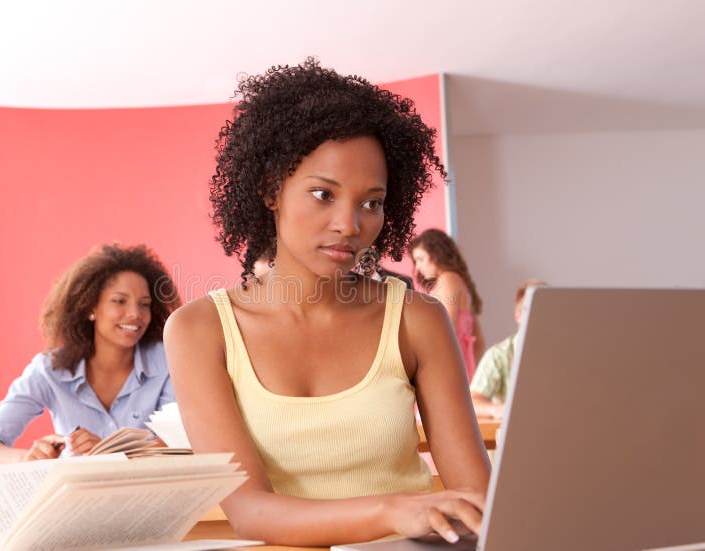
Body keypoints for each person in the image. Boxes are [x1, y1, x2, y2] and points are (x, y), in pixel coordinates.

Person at [164, 59, 490, 547]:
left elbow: (476, 496)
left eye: (371, 202)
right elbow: (251, 511)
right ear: (271, 190)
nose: (350, 224)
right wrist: (394, 510)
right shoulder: (198, 330)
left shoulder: (416, 320)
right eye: (323, 194)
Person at [0, 243, 180, 467]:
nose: (135, 314)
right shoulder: (50, 370)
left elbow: (181, 445)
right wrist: (27, 458)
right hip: (79, 498)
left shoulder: (169, 361)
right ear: (90, 307)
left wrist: (108, 452)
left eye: (144, 304)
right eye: (119, 301)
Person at [410, 229, 485, 381]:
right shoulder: (458, 282)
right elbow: (479, 343)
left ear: (437, 254)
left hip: (446, 371)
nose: (417, 267)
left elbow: (445, 331)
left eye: (421, 259)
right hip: (459, 368)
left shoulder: (448, 280)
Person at [471, 278, 546, 420]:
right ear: (518, 316)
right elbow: (472, 403)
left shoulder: (563, 355)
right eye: (531, 309)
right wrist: (497, 410)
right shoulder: (499, 355)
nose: (539, 316)